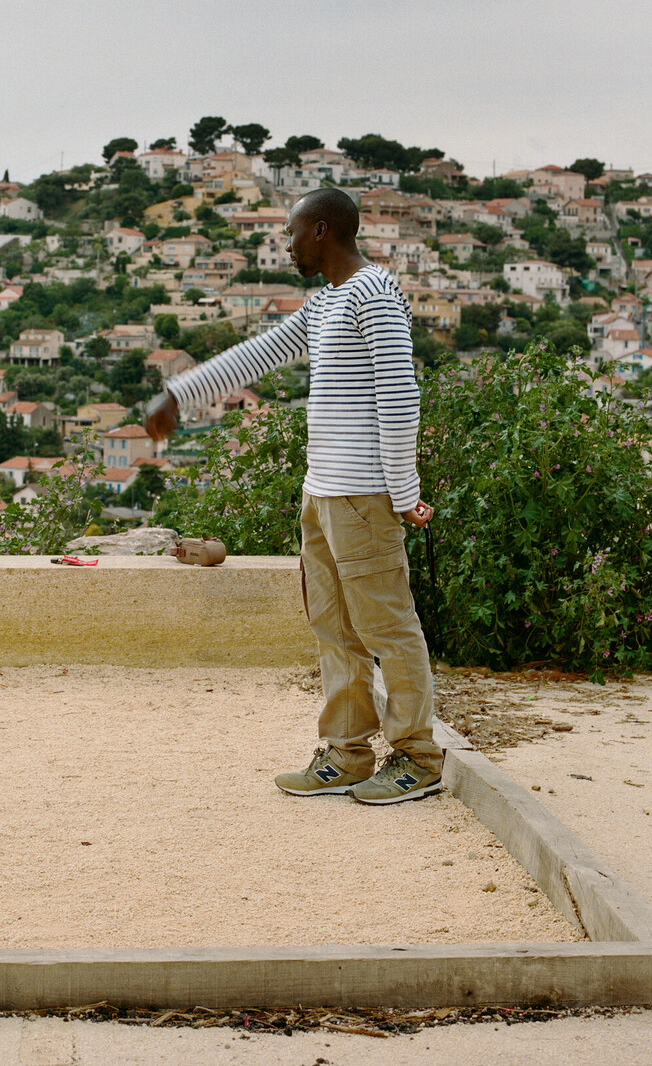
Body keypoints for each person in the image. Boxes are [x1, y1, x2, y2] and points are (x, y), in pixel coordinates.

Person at [143, 187, 441, 805]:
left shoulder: (376, 295)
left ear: (323, 232)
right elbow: (259, 355)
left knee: (387, 628)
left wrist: (405, 493)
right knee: (333, 629)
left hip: (363, 495)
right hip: (323, 494)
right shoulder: (326, 303)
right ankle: (347, 754)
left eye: (292, 232)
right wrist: (180, 394)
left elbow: (400, 398)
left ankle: (418, 758)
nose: (286, 244)